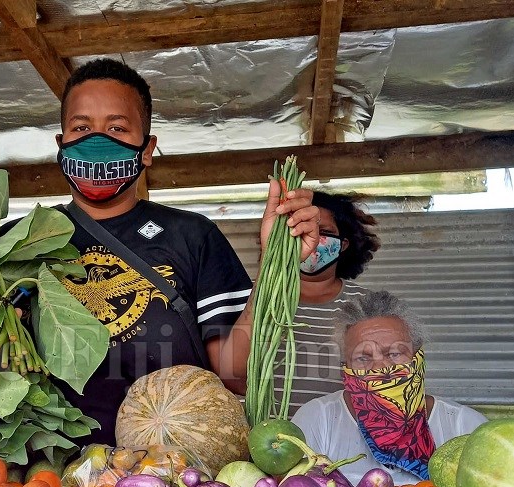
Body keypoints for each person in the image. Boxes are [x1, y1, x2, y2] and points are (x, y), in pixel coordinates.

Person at [45, 58, 320, 444]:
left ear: (146, 148)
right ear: (61, 144)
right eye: (81, 127)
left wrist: (277, 259)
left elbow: (233, 374)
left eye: (117, 127)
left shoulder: (191, 235)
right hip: (46, 486)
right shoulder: (18, 245)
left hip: (177, 477)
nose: (97, 140)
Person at [291, 291, 487, 486]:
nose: (380, 368)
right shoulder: (317, 419)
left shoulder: (465, 426)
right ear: (346, 366)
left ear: (418, 356)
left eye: (394, 354)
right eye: (362, 358)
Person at [271, 191, 381, 416]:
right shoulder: (260, 296)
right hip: (268, 441)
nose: (311, 239)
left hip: (339, 441)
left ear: (343, 244)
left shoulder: (368, 306)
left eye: (325, 233)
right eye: (301, 228)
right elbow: (232, 373)